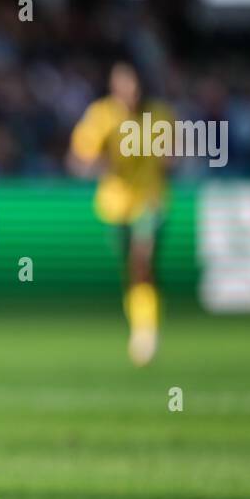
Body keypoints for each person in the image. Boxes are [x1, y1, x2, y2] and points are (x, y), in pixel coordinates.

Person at [69, 60, 174, 366]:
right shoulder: (101, 117)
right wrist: (101, 159)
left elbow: (172, 158)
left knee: (142, 259)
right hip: (115, 205)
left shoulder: (160, 115)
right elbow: (79, 160)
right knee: (133, 271)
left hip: (150, 201)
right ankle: (140, 324)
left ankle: (146, 332)